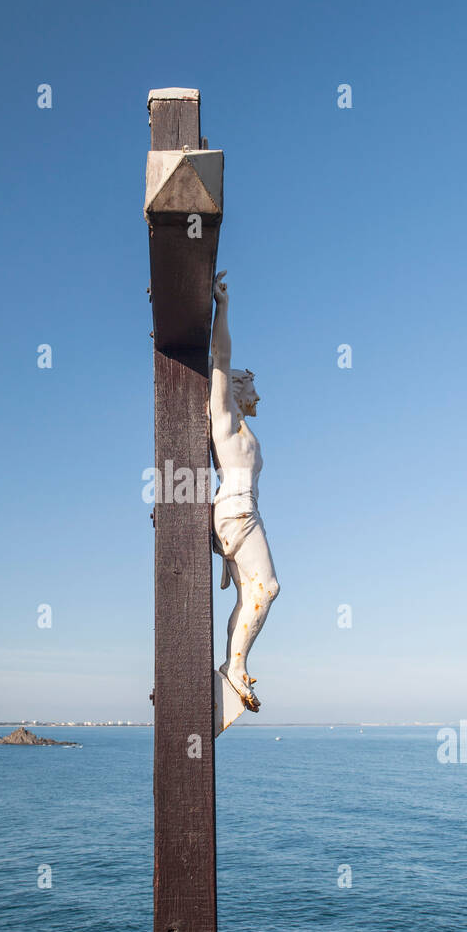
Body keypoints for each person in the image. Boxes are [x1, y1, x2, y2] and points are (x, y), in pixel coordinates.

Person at [209, 270, 279, 712]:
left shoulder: (244, 430)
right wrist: (224, 306)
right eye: (252, 383)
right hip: (236, 511)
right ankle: (235, 668)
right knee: (267, 588)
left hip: (243, 513)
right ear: (237, 384)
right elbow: (220, 355)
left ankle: (235, 665)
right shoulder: (225, 418)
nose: (260, 394)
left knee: (251, 593)